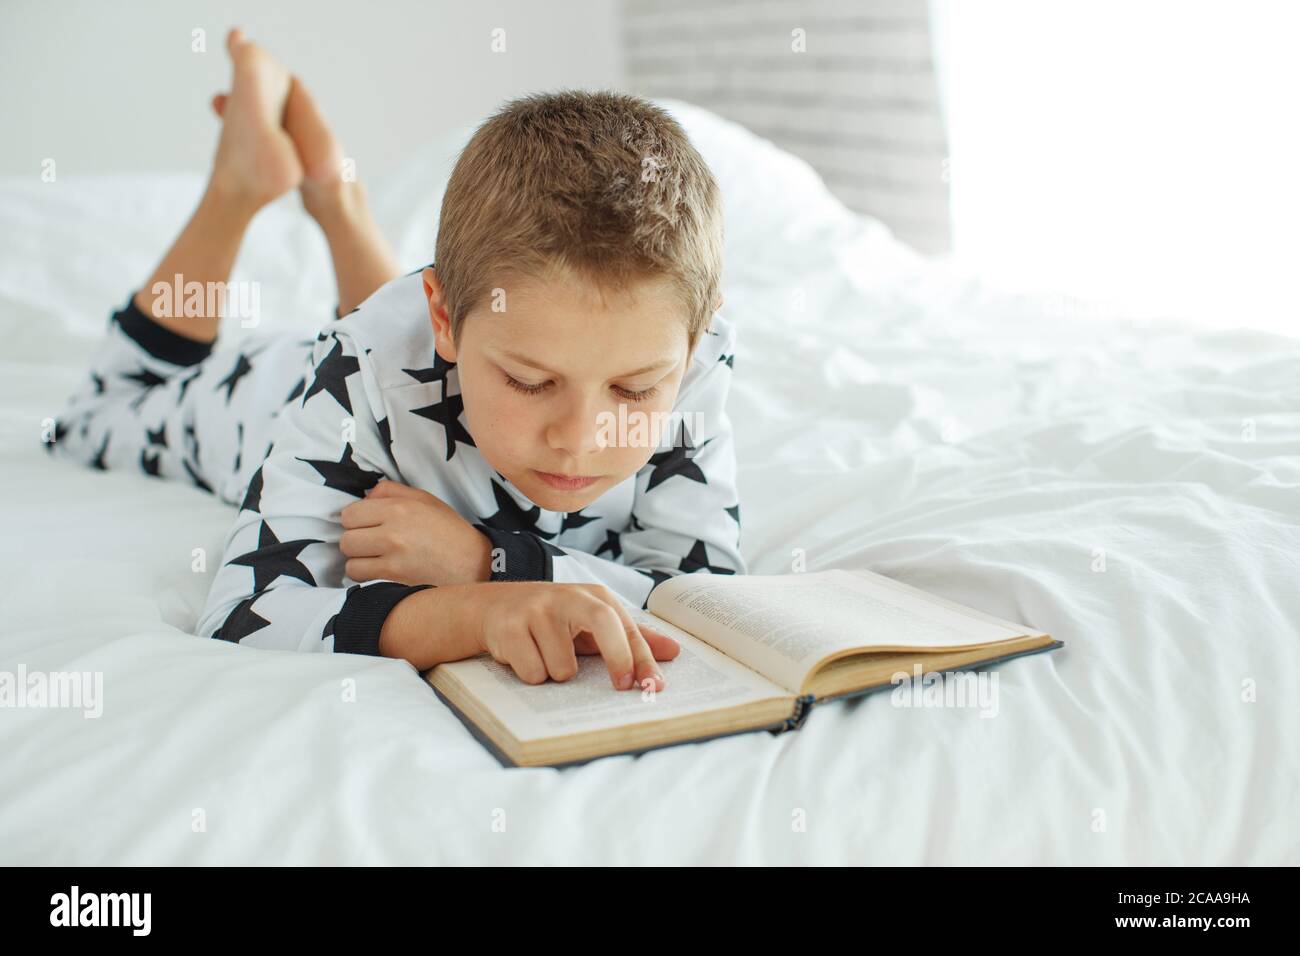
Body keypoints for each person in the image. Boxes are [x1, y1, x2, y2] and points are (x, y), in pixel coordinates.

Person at [44, 28, 745, 693]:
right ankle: (239, 186)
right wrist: (474, 610)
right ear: (443, 317)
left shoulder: (689, 350)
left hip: (410, 353)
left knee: (409, 343)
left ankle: (336, 202)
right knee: (102, 411)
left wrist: (486, 563)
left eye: (634, 389)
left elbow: (707, 600)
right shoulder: (366, 362)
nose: (580, 436)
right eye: (529, 381)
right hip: (276, 393)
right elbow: (244, 618)